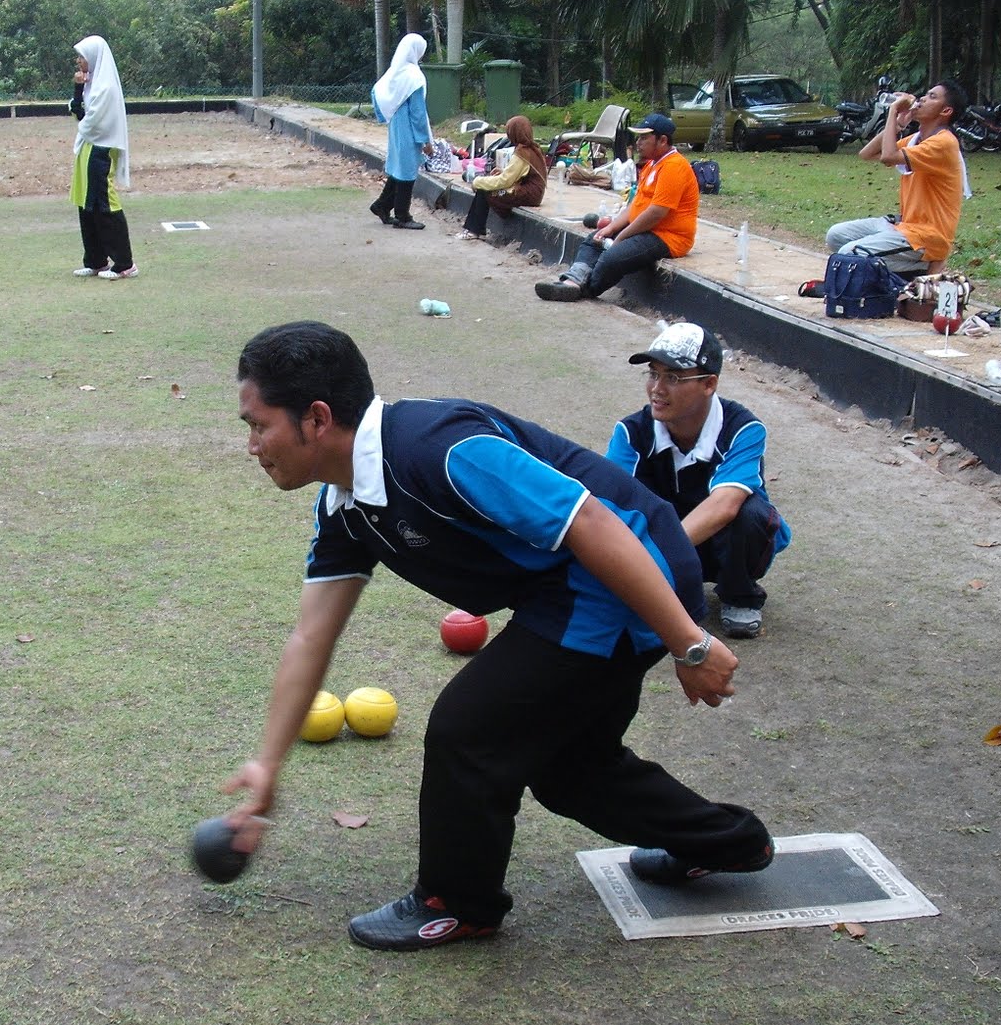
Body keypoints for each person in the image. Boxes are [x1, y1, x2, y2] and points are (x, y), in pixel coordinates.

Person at [222, 320, 774, 952]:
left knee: (470, 728)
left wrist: (690, 644)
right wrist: (268, 763)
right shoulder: (345, 503)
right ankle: (728, 841)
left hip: (624, 569)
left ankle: (459, 902)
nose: (253, 446)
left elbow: (591, 523)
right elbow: (311, 637)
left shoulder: (443, 452)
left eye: (258, 425)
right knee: (570, 770)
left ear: (316, 418)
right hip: (563, 586)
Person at [605, 323, 791, 640]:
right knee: (621, 505)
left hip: (722, 546)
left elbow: (724, 505)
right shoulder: (631, 432)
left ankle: (740, 594)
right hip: (665, 543)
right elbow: (608, 502)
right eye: (653, 374)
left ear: (709, 384)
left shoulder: (743, 428)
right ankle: (660, 584)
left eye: (673, 378)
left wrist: (655, 555)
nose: (657, 388)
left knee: (750, 513)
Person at [535, 114, 699, 302]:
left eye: (644, 138)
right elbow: (636, 205)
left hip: (668, 236)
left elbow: (656, 213)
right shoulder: (653, 164)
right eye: (639, 138)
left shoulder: (674, 167)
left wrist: (622, 236)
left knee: (612, 258)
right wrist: (611, 229)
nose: (638, 143)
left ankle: (585, 290)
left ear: (662, 140)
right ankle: (572, 281)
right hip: (647, 229)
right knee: (594, 239)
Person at [824, 80, 969, 276]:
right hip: (905, 226)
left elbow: (888, 156)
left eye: (932, 97)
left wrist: (892, 111)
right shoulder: (917, 139)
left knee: (850, 253)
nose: (922, 99)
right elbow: (867, 153)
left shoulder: (943, 143)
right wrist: (899, 122)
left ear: (945, 111)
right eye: (925, 95)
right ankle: (909, 269)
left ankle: (925, 267)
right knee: (836, 236)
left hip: (928, 237)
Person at [69, 35, 137, 280]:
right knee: (85, 203)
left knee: (104, 203)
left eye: (82, 57)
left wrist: (81, 119)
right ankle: (96, 260)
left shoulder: (105, 88)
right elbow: (79, 113)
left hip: (101, 148)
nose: (78, 62)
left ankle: (125, 263)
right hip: (86, 147)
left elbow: (89, 122)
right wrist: (78, 89)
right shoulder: (91, 85)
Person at [368, 34, 433, 231]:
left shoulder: (395, 71)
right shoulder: (414, 76)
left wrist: (383, 116)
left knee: (399, 168)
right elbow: (418, 113)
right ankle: (403, 216)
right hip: (409, 128)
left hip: (396, 124)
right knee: (407, 171)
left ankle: (382, 205)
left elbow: (376, 91)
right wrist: (425, 140)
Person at [457, 115, 547, 241]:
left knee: (484, 190)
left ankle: (474, 230)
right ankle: (475, 229)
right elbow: (518, 172)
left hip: (527, 194)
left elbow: (505, 181)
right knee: (485, 188)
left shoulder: (522, 153)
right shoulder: (532, 148)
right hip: (533, 192)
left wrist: (478, 181)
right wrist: (502, 171)